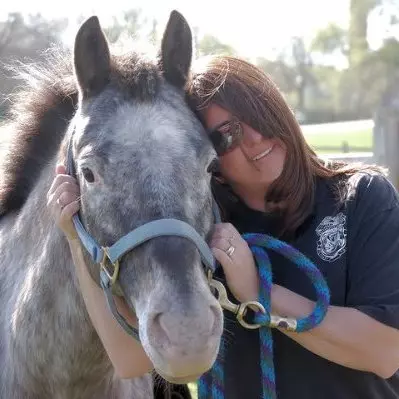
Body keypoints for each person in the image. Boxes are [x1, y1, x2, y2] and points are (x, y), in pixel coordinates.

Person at [47, 55, 399, 398]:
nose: (256, 138)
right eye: (226, 136)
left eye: (260, 114)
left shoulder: (361, 197)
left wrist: (259, 294)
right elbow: (130, 360)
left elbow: (385, 351)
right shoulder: (205, 229)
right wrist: (76, 239)